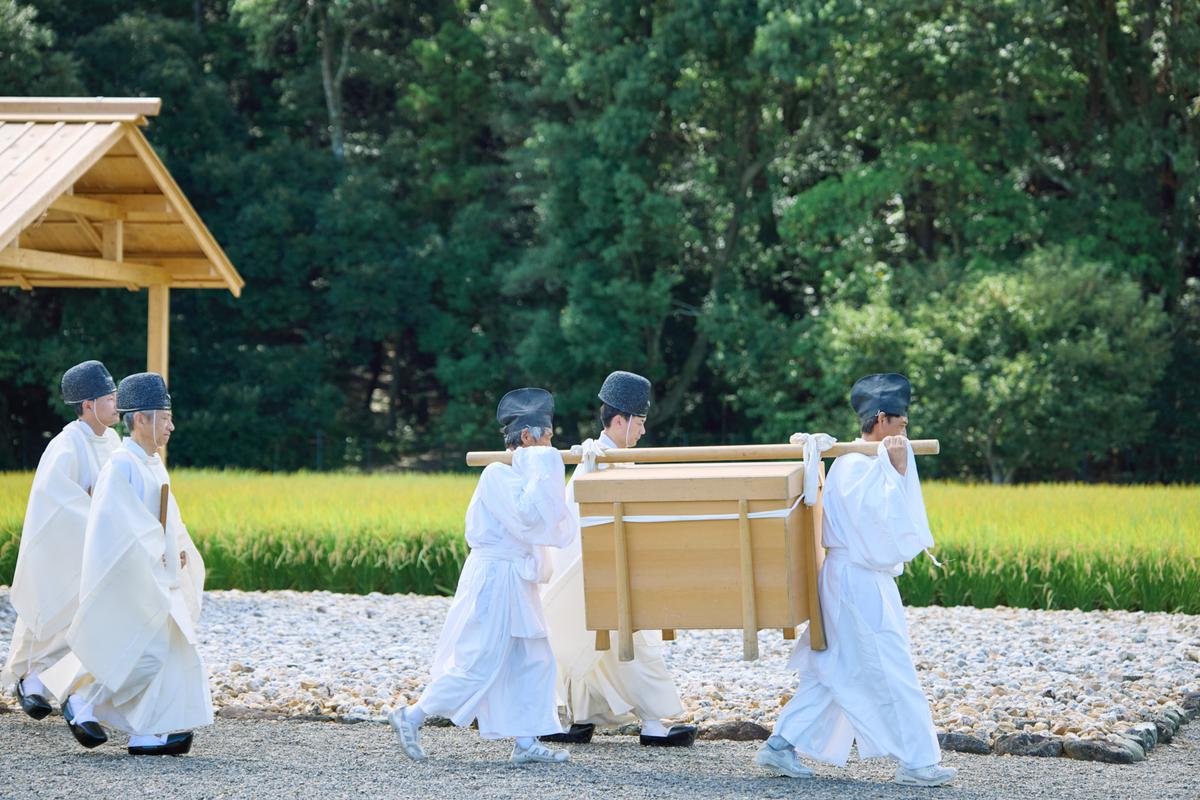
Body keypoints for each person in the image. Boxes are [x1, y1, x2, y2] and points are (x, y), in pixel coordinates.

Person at [756, 373, 956, 787]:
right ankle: (918, 762)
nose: (905, 431)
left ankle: (779, 745)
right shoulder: (852, 466)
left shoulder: (863, 465)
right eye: (901, 423)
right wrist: (897, 470)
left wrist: (895, 470)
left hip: (859, 580)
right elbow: (881, 531)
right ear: (881, 419)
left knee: (834, 671)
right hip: (855, 581)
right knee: (891, 668)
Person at [390, 388, 576, 765]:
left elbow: (549, 519)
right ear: (527, 437)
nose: (552, 444)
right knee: (479, 661)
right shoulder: (496, 476)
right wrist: (544, 467)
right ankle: (412, 715)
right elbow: (528, 517)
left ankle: (526, 740)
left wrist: (550, 467)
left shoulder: (524, 476)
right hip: (494, 578)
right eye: (548, 436)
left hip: (515, 579)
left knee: (533, 658)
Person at [47, 372, 211, 756]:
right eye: (164, 417)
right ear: (141, 418)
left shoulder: (151, 463)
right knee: (147, 651)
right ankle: (83, 699)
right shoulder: (122, 465)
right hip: (129, 581)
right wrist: (163, 548)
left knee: (172, 649)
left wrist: (178, 547)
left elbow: (168, 521)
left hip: (156, 574)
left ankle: (150, 731)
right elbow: (117, 530)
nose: (171, 425)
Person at [540, 370, 695, 747]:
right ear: (620, 420)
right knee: (629, 643)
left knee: (607, 646)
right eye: (639, 422)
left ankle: (587, 718)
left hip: (608, 568)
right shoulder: (597, 460)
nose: (642, 431)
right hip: (597, 570)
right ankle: (652, 724)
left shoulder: (611, 457)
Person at [2, 361, 122, 720]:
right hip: (66, 545)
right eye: (110, 397)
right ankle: (31, 677)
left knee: (87, 618)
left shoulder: (113, 440)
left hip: (100, 547)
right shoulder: (66, 444)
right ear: (88, 405)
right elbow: (54, 501)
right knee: (52, 605)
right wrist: (94, 511)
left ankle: (69, 685)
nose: (117, 403)